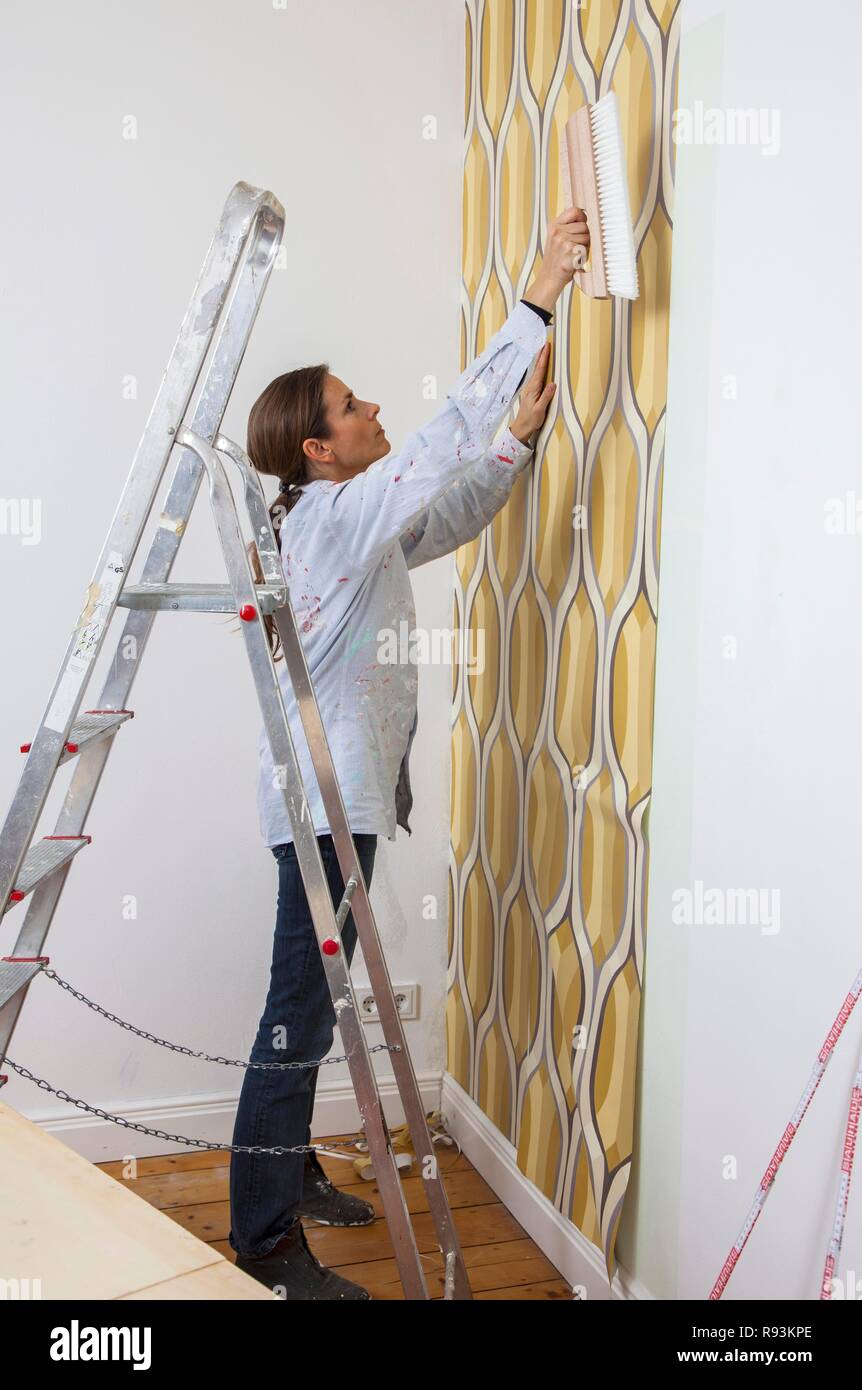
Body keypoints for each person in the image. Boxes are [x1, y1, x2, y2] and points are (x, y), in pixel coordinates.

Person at [228, 207, 591, 1299]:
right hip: (325, 809)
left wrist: (516, 441)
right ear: (316, 446)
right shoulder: (326, 519)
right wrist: (535, 298)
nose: (371, 406)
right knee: (301, 1000)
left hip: (345, 802)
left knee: (316, 997)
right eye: (350, 404)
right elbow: (434, 444)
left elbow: (453, 505)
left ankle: (283, 1173)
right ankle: (267, 1243)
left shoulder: (353, 519)